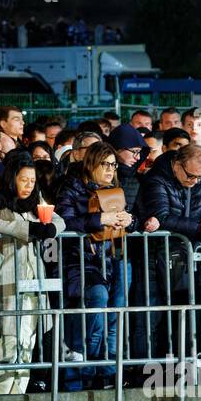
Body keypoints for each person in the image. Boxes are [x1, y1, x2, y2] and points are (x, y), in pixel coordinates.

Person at [131, 144, 201, 362]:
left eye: (199, 176)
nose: (194, 181)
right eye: (190, 175)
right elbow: (162, 217)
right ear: (176, 165)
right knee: (150, 316)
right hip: (154, 255)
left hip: (188, 254)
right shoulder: (156, 180)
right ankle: (142, 368)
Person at [0, 149, 63, 394]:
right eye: (23, 179)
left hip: (32, 277)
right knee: (8, 339)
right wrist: (28, 229)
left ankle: (19, 393)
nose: (28, 185)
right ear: (12, 177)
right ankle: (2, 395)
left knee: (28, 338)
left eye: (32, 180)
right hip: (4, 276)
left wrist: (50, 229)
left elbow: (59, 219)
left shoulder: (36, 200)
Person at [55, 142, 132, 388]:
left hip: (113, 259)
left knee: (113, 319)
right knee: (95, 313)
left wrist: (130, 219)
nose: (110, 170)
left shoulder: (115, 190)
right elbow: (64, 221)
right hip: (80, 261)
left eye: (113, 165)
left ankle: (106, 375)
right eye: (105, 164)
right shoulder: (71, 187)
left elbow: (134, 217)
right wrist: (99, 219)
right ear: (91, 164)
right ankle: (81, 373)